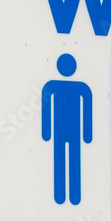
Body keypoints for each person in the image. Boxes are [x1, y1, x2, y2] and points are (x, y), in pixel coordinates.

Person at [42, 53, 92, 205]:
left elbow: (87, 109)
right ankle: (61, 195)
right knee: (62, 159)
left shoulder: (80, 87)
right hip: (64, 130)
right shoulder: (53, 86)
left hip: (68, 131)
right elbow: (46, 110)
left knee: (71, 159)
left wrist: (87, 134)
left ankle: (73, 196)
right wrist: (46, 132)